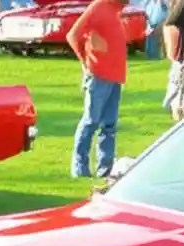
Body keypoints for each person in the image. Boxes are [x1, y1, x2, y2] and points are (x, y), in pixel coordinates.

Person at [67, 0, 127, 177]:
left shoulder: (117, 11)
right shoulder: (99, 6)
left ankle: (105, 168)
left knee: (109, 125)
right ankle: (80, 168)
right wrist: (86, 62)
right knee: (91, 121)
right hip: (99, 76)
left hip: (115, 77)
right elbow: (73, 35)